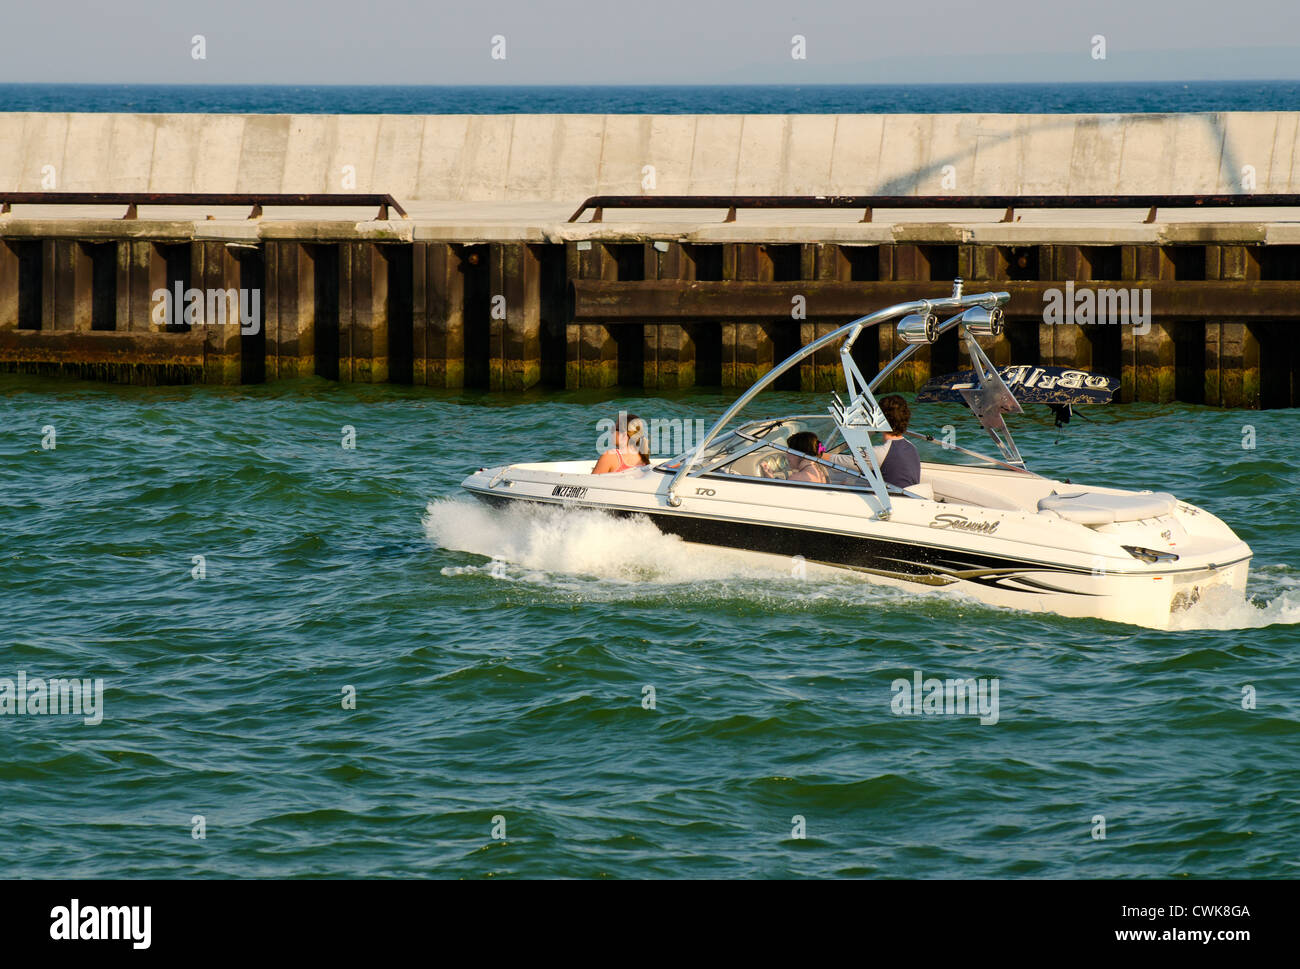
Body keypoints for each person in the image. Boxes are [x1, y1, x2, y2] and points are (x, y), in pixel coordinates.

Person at [824, 394, 922, 490]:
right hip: (906, 498)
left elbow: (842, 462)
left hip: (893, 501)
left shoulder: (879, 452)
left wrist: (817, 454)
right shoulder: (912, 448)